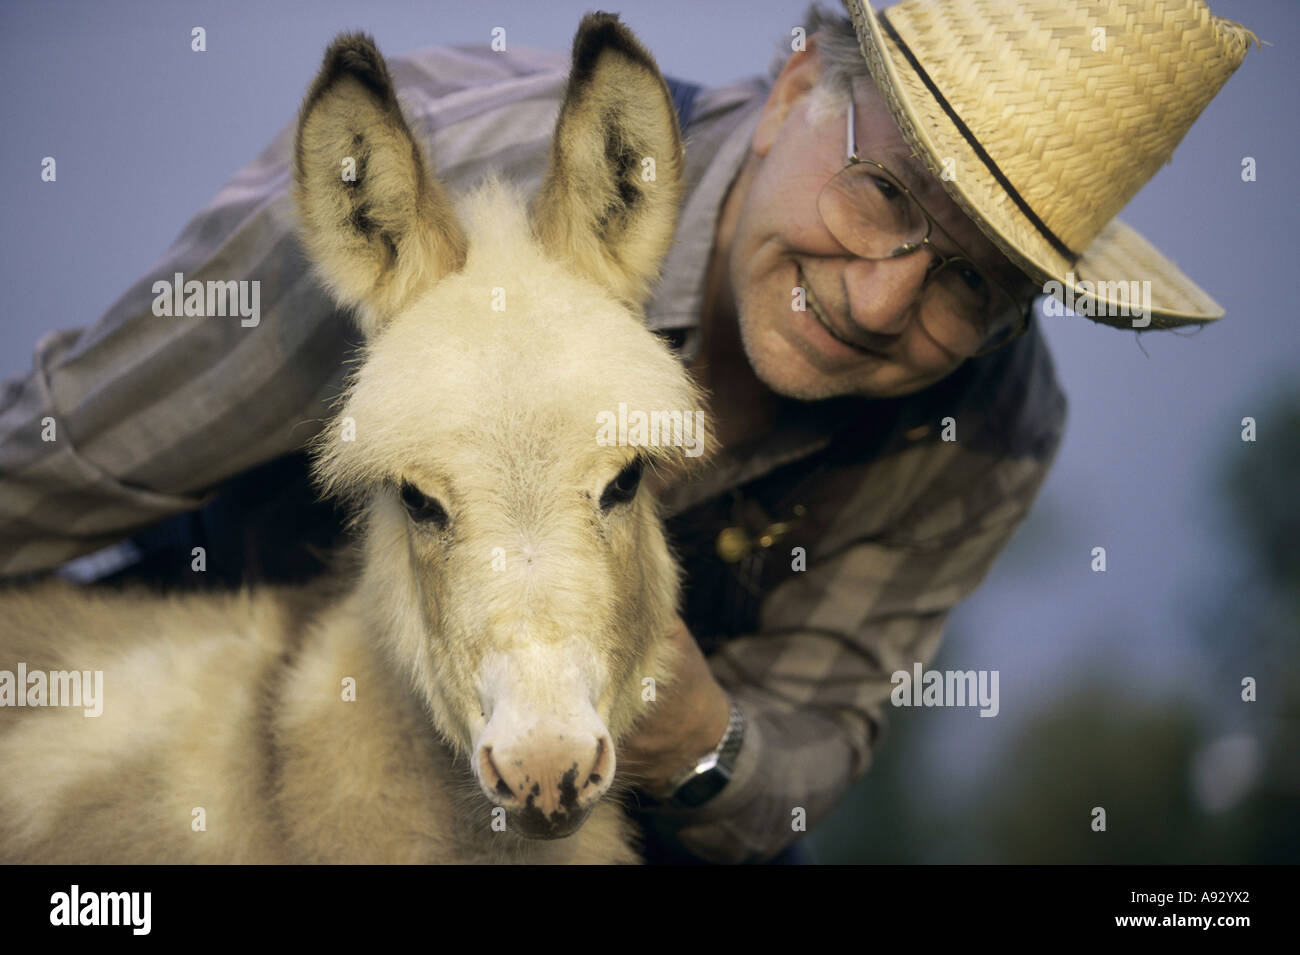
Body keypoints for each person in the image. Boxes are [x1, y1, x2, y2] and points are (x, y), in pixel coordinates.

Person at [0, 0, 1255, 864]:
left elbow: (812, 737)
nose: (881, 300)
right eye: (882, 193)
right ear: (796, 89)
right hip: (222, 647)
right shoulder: (406, 183)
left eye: (973, 281)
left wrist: (702, 745)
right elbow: (58, 462)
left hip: (625, 783)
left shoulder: (996, 423)